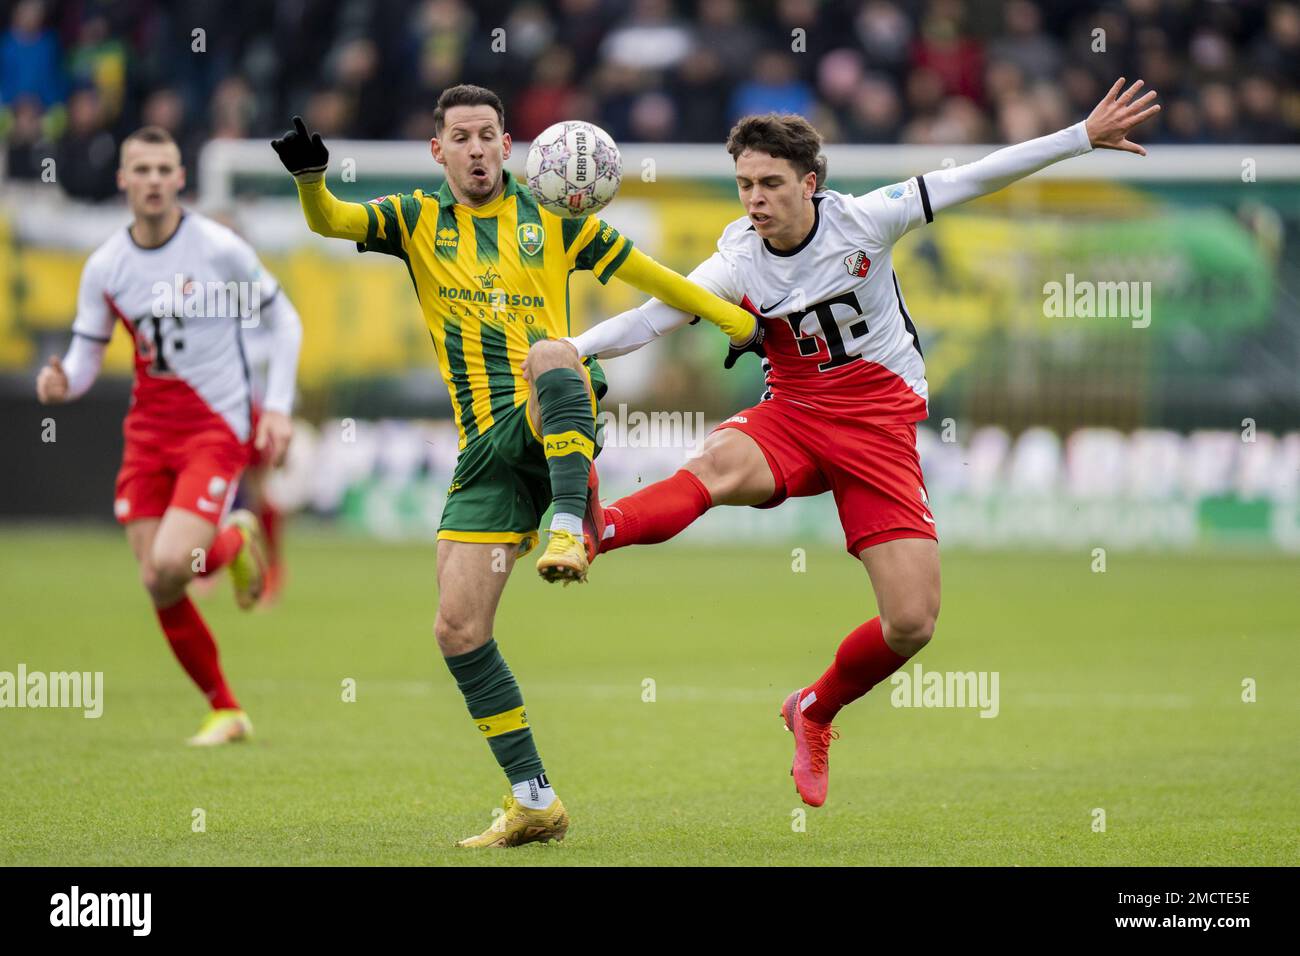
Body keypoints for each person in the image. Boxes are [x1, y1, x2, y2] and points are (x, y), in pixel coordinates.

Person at [568, 78, 1160, 807]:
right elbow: (657, 317)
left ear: (809, 183)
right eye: (744, 184)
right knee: (716, 466)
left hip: (878, 430)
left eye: (771, 183)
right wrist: (572, 348)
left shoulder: (866, 220)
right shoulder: (737, 259)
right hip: (793, 414)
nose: (754, 199)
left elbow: (973, 176)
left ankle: (813, 710)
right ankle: (595, 531)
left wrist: (1079, 136)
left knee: (912, 624)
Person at [271, 84, 757, 847]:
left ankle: (570, 522)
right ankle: (534, 798)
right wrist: (310, 180)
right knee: (458, 628)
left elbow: (651, 276)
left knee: (551, 356)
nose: (473, 148)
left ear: (507, 146)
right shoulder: (414, 218)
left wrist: (734, 317)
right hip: (485, 450)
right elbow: (333, 220)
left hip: (555, 399)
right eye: (459, 136)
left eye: (486, 134)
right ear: (438, 151)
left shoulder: (553, 216)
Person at [36, 126, 303, 745]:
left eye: (164, 170)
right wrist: (61, 384)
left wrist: (280, 410)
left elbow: (283, 320)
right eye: (142, 170)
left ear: (181, 179)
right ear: (122, 180)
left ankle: (234, 541)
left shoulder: (217, 249)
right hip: (148, 434)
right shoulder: (107, 266)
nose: (154, 181)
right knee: (159, 581)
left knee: (167, 564)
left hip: (216, 427)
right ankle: (226, 709)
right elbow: (84, 357)